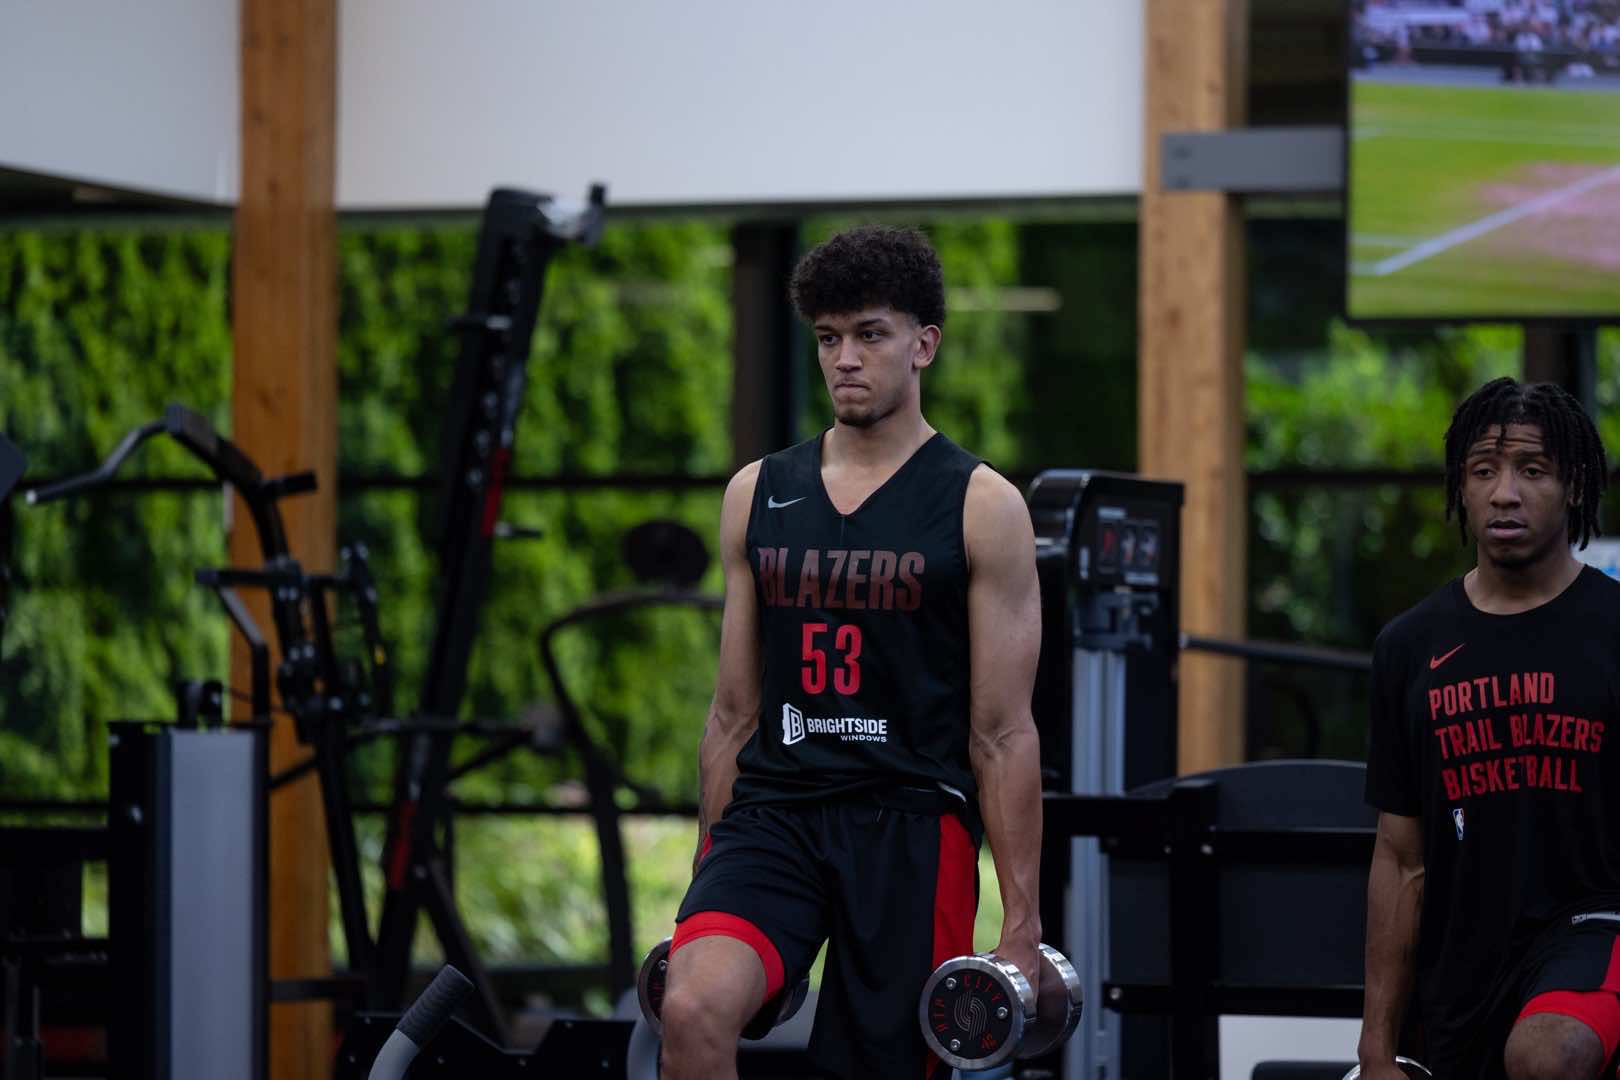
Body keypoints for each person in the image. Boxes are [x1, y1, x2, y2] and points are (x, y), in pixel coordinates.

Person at [657, 225, 1044, 1080]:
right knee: (690, 1005)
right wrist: (703, 868)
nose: (846, 359)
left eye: (870, 334)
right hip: (777, 812)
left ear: (923, 345)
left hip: (910, 821)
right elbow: (732, 713)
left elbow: (1003, 734)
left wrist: (1021, 924)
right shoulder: (758, 494)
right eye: (829, 338)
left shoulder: (981, 506)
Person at [1360, 377, 1620, 1080]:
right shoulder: (1409, 647)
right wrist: (1375, 1048)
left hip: (1596, 930)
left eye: (1531, 470)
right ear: (1462, 489)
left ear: (1571, 487)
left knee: (1547, 1054)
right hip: (1463, 964)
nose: (1505, 492)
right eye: (1484, 471)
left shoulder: (1614, 629)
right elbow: (1401, 858)